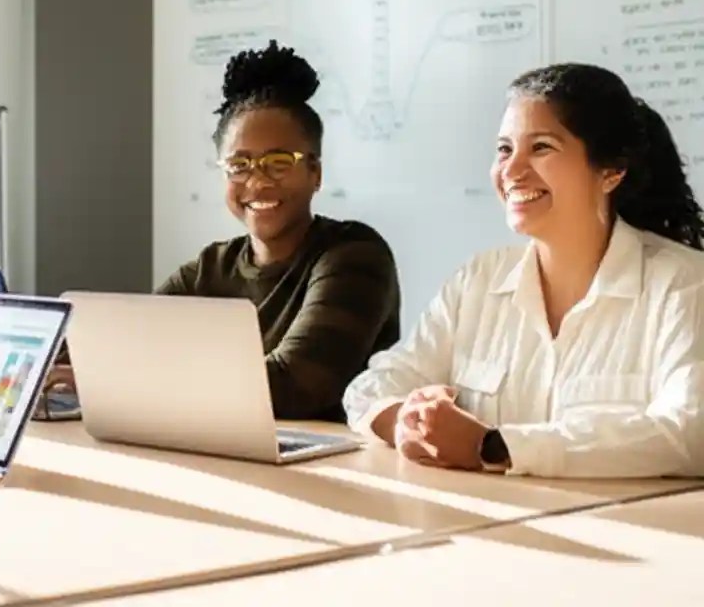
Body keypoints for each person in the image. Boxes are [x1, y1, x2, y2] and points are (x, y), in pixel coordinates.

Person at [343, 63, 704, 478]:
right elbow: (373, 387)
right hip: (485, 514)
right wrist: (405, 420)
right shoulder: (477, 280)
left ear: (611, 171)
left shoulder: (685, 284)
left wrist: (492, 446)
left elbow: (689, 432)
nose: (512, 171)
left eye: (541, 148)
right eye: (504, 149)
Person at [41, 41, 401, 422]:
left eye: (279, 162)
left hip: (331, 454)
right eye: (239, 165)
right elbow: (126, 339)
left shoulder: (355, 255)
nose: (257, 181)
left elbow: (293, 385)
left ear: (316, 173)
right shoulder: (211, 267)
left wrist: (108, 378)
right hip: (227, 446)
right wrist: (60, 364)